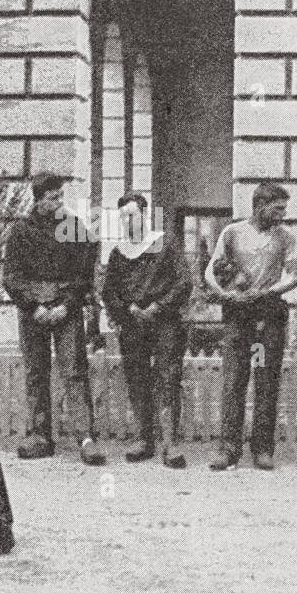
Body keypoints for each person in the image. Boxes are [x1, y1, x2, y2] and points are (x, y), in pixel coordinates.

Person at [2, 172, 103, 465]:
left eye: (61, 196)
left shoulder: (73, 228)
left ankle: (86, 438)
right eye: (52, 197)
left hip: (66, 310)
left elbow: (84, 273)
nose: (59, 202)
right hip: (32, 310)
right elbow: (11, 277)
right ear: (38, 199)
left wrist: (67, 305)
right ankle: (40, 436)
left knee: (74, 371)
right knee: (36, 372)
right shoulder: (21, 231)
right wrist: (33, 305)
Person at [204, 182, 297, 471]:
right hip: (238, 318)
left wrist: (269, 292)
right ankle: (228, 449)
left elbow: (293, 277)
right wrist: (225, 294)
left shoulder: (286, 238)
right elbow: (211, 271)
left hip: (268, 318)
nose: (282, 214)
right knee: (234, 381)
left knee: (266, 382)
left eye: (284, 208)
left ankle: (262, 449)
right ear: (260, 206)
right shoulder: (232, 232)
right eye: (277, 208)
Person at [101, 193, 192, 468]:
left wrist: (158, 306)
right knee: (137, 379)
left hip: (164, 323)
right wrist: (127, 309)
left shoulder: (165, 244)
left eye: (132, 215)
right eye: (123, 217)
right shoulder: (119, 254)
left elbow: (184, 282)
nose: (128, 221)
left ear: (145, 215)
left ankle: (170, 444)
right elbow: (109, 291)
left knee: (167, 378)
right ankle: (144, 439)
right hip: (132, 326)